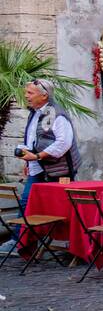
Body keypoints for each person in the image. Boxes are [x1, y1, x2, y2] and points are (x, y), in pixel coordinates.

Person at [8, 79, 80, 231]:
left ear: (44, 96)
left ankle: (68, 242)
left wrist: (37, 156)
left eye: (30, 93)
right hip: (38, 167)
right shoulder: (35, 113)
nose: (26, 96)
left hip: (60, 170)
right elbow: (33, 139)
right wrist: (28, 162)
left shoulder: (56, 114)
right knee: (27, 203)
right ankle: (22, 241)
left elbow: (63, 144)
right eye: (26, 92)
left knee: (61, 207)